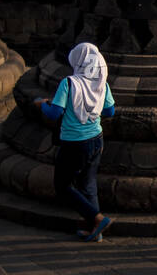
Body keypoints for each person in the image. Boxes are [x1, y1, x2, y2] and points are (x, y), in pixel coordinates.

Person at [34, 42, 116, 242]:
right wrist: (91, 108)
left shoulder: (69, 83)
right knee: (88, 184)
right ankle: (95, 230)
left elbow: (55, 113)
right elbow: (109, 111)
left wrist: (41, 104)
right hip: (96, 139)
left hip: (74, 142)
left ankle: (97, 219)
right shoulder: (101, 83)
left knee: (63, 186)